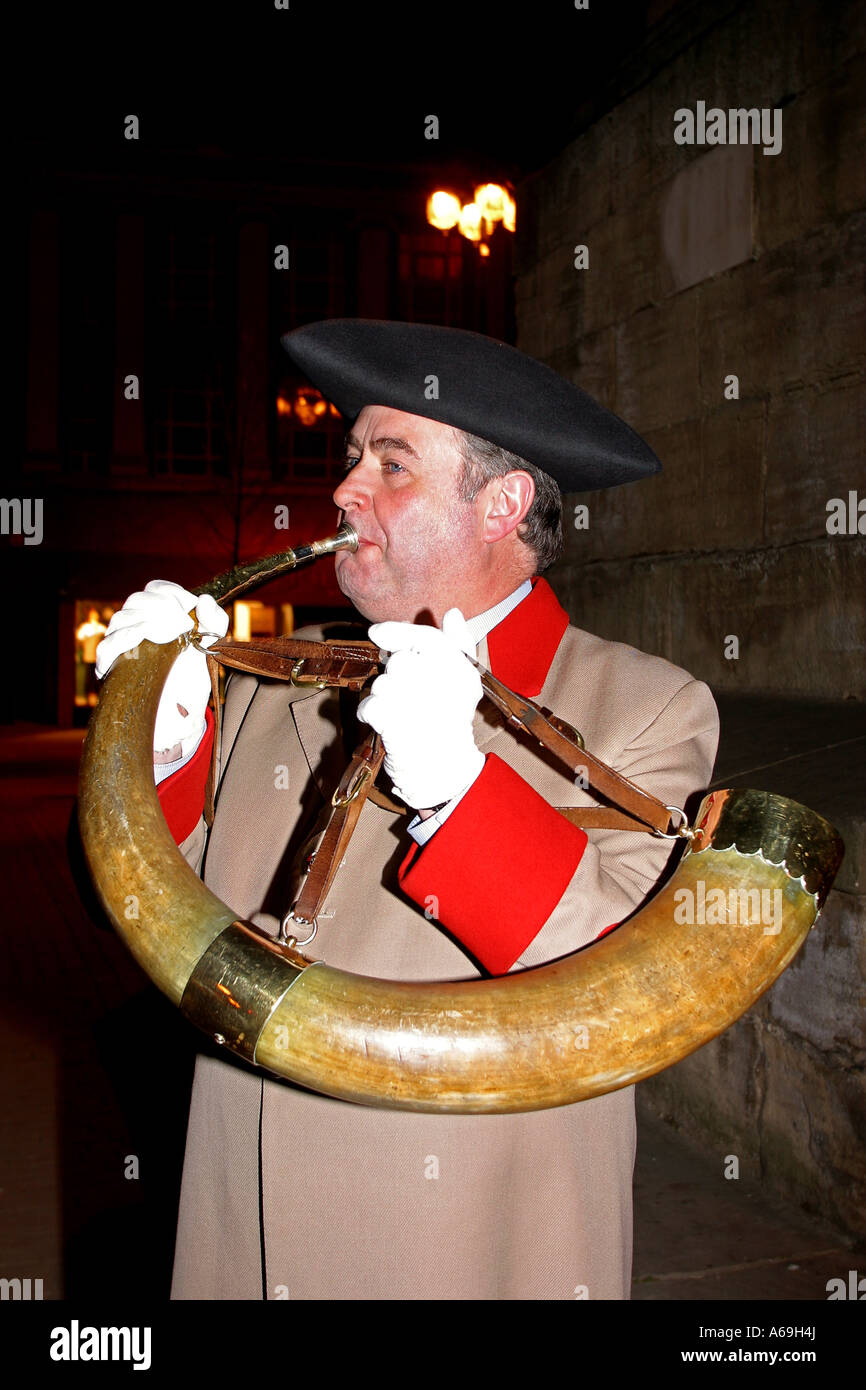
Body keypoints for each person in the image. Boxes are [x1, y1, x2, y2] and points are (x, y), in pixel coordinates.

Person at [96, 320, 719, 1300]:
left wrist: (457, 787)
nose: (345, 490)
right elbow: (165, 917)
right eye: (351, 460)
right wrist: (158, 739)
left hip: (460, 1251)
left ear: (501, 504)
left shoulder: (643, 706)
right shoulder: (276, 682)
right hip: (237, 1237)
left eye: (391, 465)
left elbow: (628, 987)